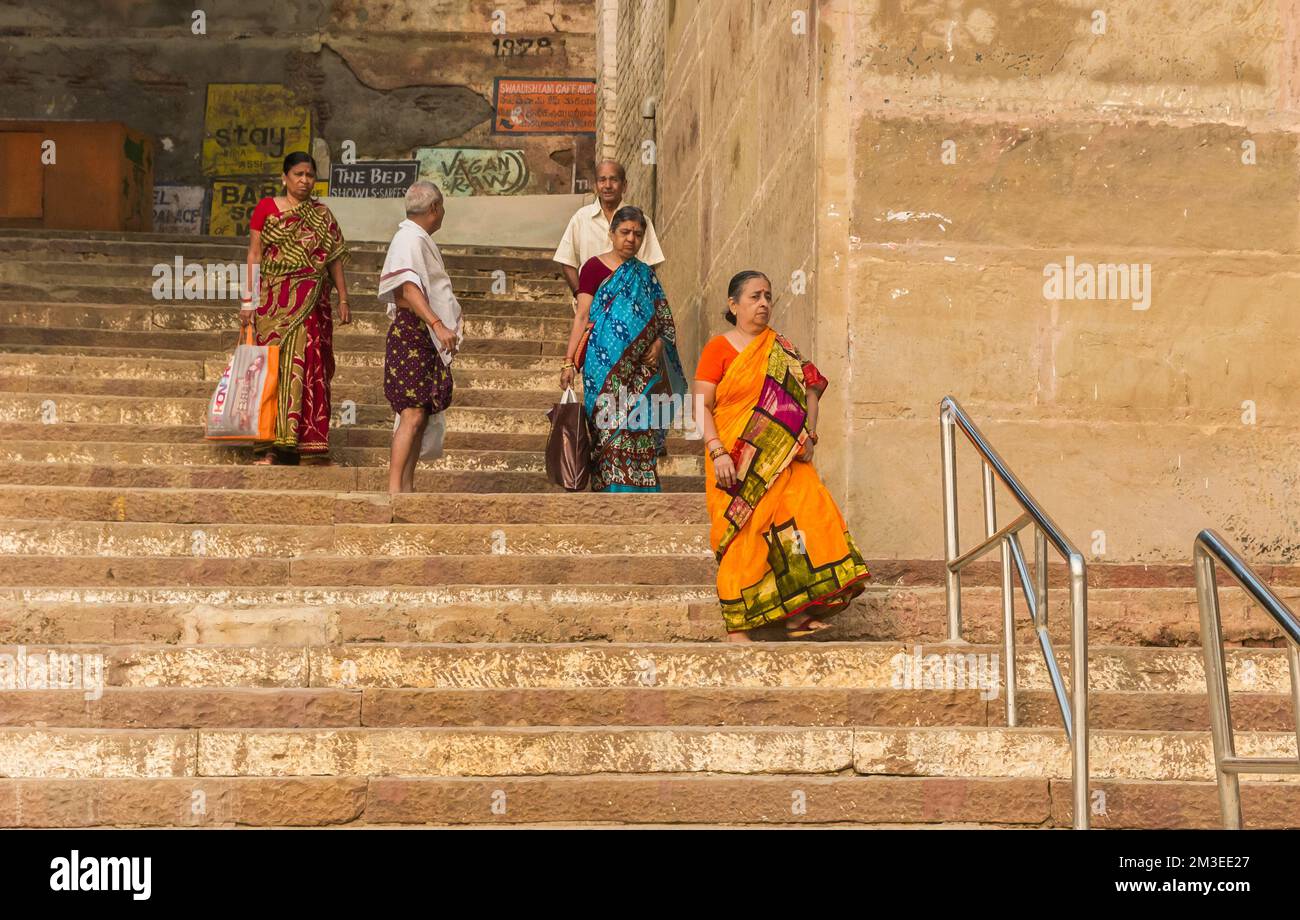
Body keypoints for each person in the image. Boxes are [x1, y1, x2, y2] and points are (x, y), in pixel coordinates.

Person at [693, 271, 870, 641]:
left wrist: (810, 435)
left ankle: (795, 613)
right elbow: (701, 405)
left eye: (768, 297)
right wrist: (718, 451)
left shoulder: (781, 347)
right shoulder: (719, 348)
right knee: (745, 535)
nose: (763, 304)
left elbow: (812, 390)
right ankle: (739, 623)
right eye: (755, 296)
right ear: (733, 304)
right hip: (735, 462)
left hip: (786, 459)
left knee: (807, 519)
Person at [559, 206, 686, 492]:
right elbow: (582, 315)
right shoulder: (592, 268)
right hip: (602, 366)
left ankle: (641, 488)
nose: (631, 239)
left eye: (637, 234)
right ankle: (610, 489)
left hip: (641, 368)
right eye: (625, 232)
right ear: (611, 233)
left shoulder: (645, 275)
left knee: (638, 424)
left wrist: (658, 343)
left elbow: (662, 318)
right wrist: (569, 361)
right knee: (607, 426)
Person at [241, 151, 350, 465]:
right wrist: (248, 300)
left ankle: (307, 445)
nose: (304, 181)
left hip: (311, 302)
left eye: (310, 175)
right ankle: (268, 447)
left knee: (308, 366)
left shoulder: (323, 215)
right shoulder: (266, 209)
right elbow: (255, 254)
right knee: (270, 370)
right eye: (298, 175)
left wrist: (342, 297)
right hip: (273, 301)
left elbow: (334, 259)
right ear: (284, 177)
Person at [377, 181, 463, 494]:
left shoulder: (416, 239)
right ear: (434, 209)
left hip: (424, 337)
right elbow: (408, 289)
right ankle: (394, 489)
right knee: (411, 413)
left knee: (420, 414)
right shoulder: (408, 239)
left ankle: (407, 487)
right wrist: (438, 323)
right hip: (413, 333)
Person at [553, 160, 665, 310]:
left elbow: (649, 264)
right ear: (595, 186)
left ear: (624, 185)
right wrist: (580, 294)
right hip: (590, 308)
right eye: (602, 180)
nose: (607, 185)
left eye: (614, 180)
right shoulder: (581, 218)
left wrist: (639, 298)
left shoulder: (640, 221)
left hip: (629, 308)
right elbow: (567, 261)